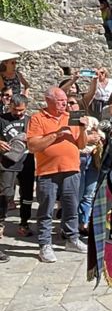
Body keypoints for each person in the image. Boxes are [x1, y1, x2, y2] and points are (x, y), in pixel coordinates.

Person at [27, 87, 92, 262]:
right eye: (60, 100)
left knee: (71, 207)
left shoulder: (71, 116)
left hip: (71, 169)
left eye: (65, 100)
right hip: (48, 171)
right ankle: (45, 245)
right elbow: (33, 146)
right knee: (46, 209)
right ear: (49, 101)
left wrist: (84, 129)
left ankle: (72, 238)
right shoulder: (37, 118)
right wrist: (56, 135)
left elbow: (80, 145)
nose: (65, 103)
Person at [0, 95, 35, 251]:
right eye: (15, 109)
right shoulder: (2, 118)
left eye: (21, 110)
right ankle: (1, 223)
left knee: (27, 195)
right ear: (10, 106)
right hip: (7, 162)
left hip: (27, 160)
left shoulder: (30, 120)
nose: (18, 113)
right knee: (6, 194)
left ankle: (24, 223)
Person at [73, 96, 104, 235]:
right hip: (78, 158)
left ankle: (84, 223)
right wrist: (88, 137)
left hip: (92, 158)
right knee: (76, 195)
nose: (74, 106)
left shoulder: (93, 120)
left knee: (89, 194)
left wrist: (98, 136)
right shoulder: (71, 119)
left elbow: (101, 134)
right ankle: (71, 224)